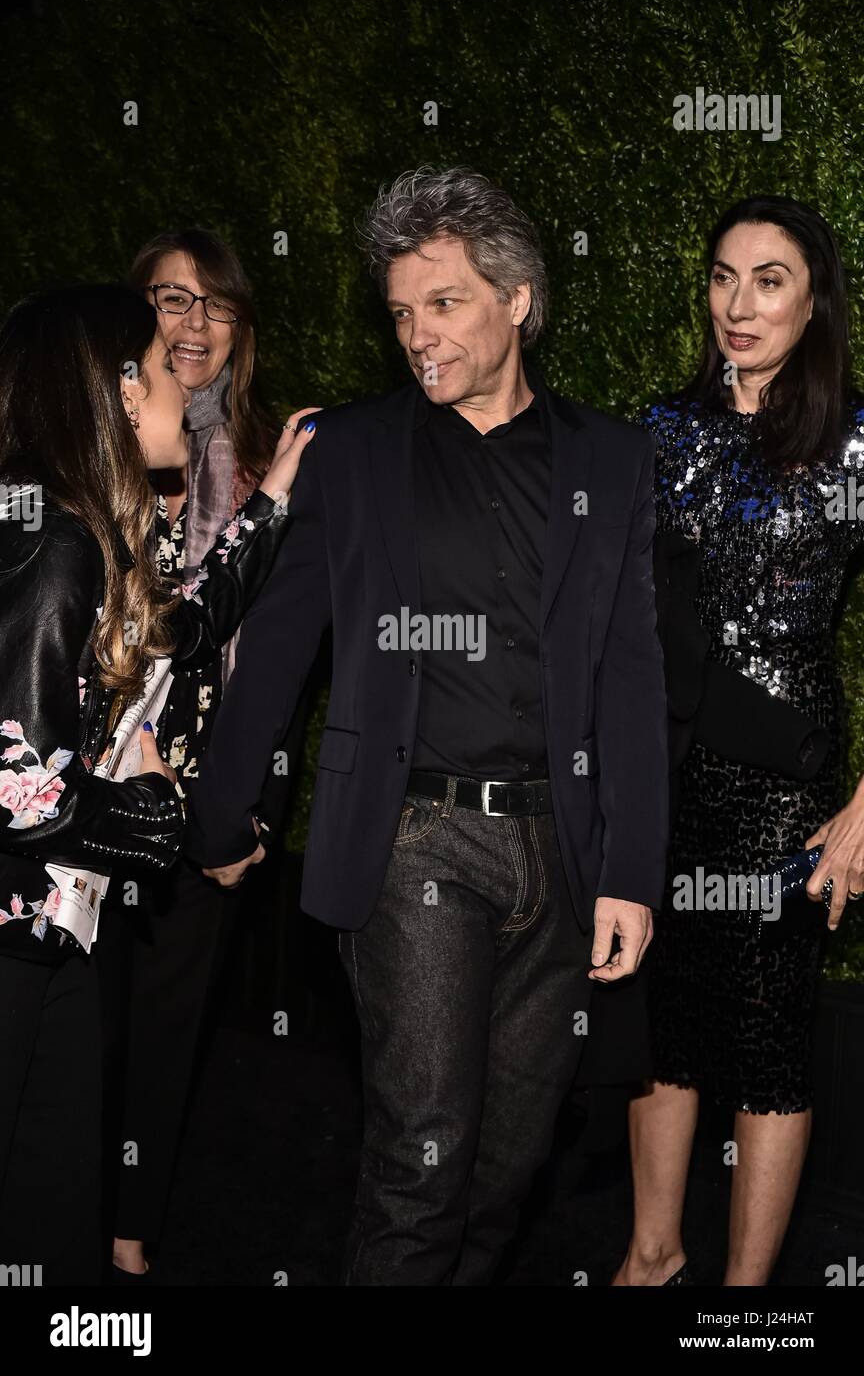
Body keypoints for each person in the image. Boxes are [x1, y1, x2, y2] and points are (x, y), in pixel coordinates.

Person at [186, 165, 668, 1285]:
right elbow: (287, 637)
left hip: (566, 847)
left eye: (442, 303)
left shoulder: (612, 460)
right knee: (421, 1163)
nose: (417, 334)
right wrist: (220, 813)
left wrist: (633, 869)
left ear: (519, 302)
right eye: (402, 312)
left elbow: (632, 677)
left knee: (505, 1170)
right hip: (416, 841)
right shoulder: (353, 453)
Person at [0, 283, 313, 1284]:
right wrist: (155, 816)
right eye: (166, 363)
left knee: (56, 1227)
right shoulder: (50, 544)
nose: (194, 387)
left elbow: (178, 634)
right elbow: (19, 790)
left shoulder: (79, 533)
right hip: (16, 944)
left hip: (54, 938)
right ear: (120, 390)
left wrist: (267, 511)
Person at [615, 196, 864, 1288]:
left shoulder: (855, 439)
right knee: (658, 1023)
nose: (739, 302)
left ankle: (745, 1303)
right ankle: (652, 1252)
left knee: (764, 1044)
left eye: (769, 279)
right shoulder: (663, 431)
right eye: (722, 276)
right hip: (663, 771)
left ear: (814, 304)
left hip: (783, 790)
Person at [99, 230, 318, 1281]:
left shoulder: (282, 457)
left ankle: (129, 1234)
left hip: (207, 808)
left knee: (169, 1030)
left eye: (214, 305)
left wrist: (241, 816)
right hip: (87, 804)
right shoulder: (94, 450)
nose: (191, 324)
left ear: (241, 328)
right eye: (169, 299)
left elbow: (285, 667)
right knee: (67, 1026)